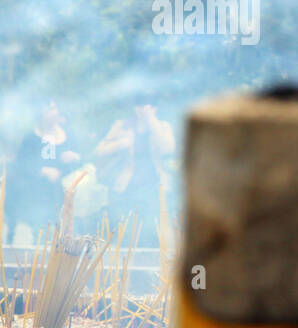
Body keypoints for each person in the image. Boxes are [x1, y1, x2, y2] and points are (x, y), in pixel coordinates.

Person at [93, 103, 176, 246]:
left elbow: (168, 148)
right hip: (126, 186)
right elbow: (100, 150)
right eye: (140, 105)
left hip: (155, 186)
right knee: (124, 232)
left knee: (153, 232)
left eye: (149, 105)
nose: (143, 109)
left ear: (155, 108)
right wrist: (121, 143)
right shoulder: (122, 126)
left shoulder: (163, 126)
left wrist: (151, 121)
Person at [5, 101, 82, 244]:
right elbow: (22, 164)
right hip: (38, 190)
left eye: (55, 108)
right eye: (50, 109)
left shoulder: (68, 133)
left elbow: (81, 158)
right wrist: (42, 170)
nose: (55, 112)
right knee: (42, 224)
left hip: (66, 188)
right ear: (41, 114)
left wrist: (74, 157)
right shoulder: (31, 138)